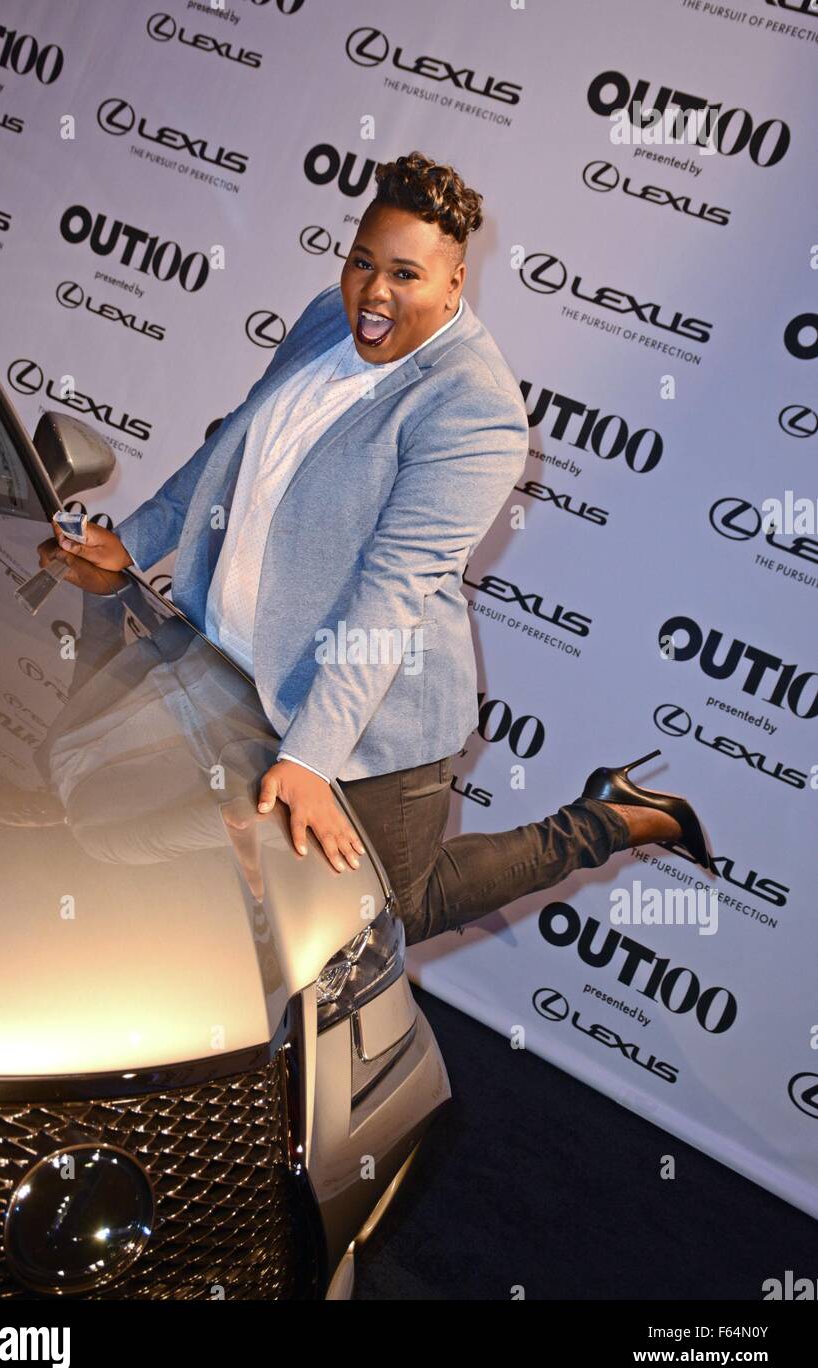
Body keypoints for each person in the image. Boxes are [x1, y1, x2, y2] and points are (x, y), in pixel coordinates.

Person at [42, 151, 712, 946]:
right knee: (108, 828)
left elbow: (388, 593)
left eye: (406, 275)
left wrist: (313, 757)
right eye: (362, 262)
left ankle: (612, 818)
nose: (374, 293)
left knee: (395, 908)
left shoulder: (473, 411)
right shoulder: (329, 317)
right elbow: (236, 452)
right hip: (225, 671)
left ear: (455, 283)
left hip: (365, 720)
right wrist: (137, 541)